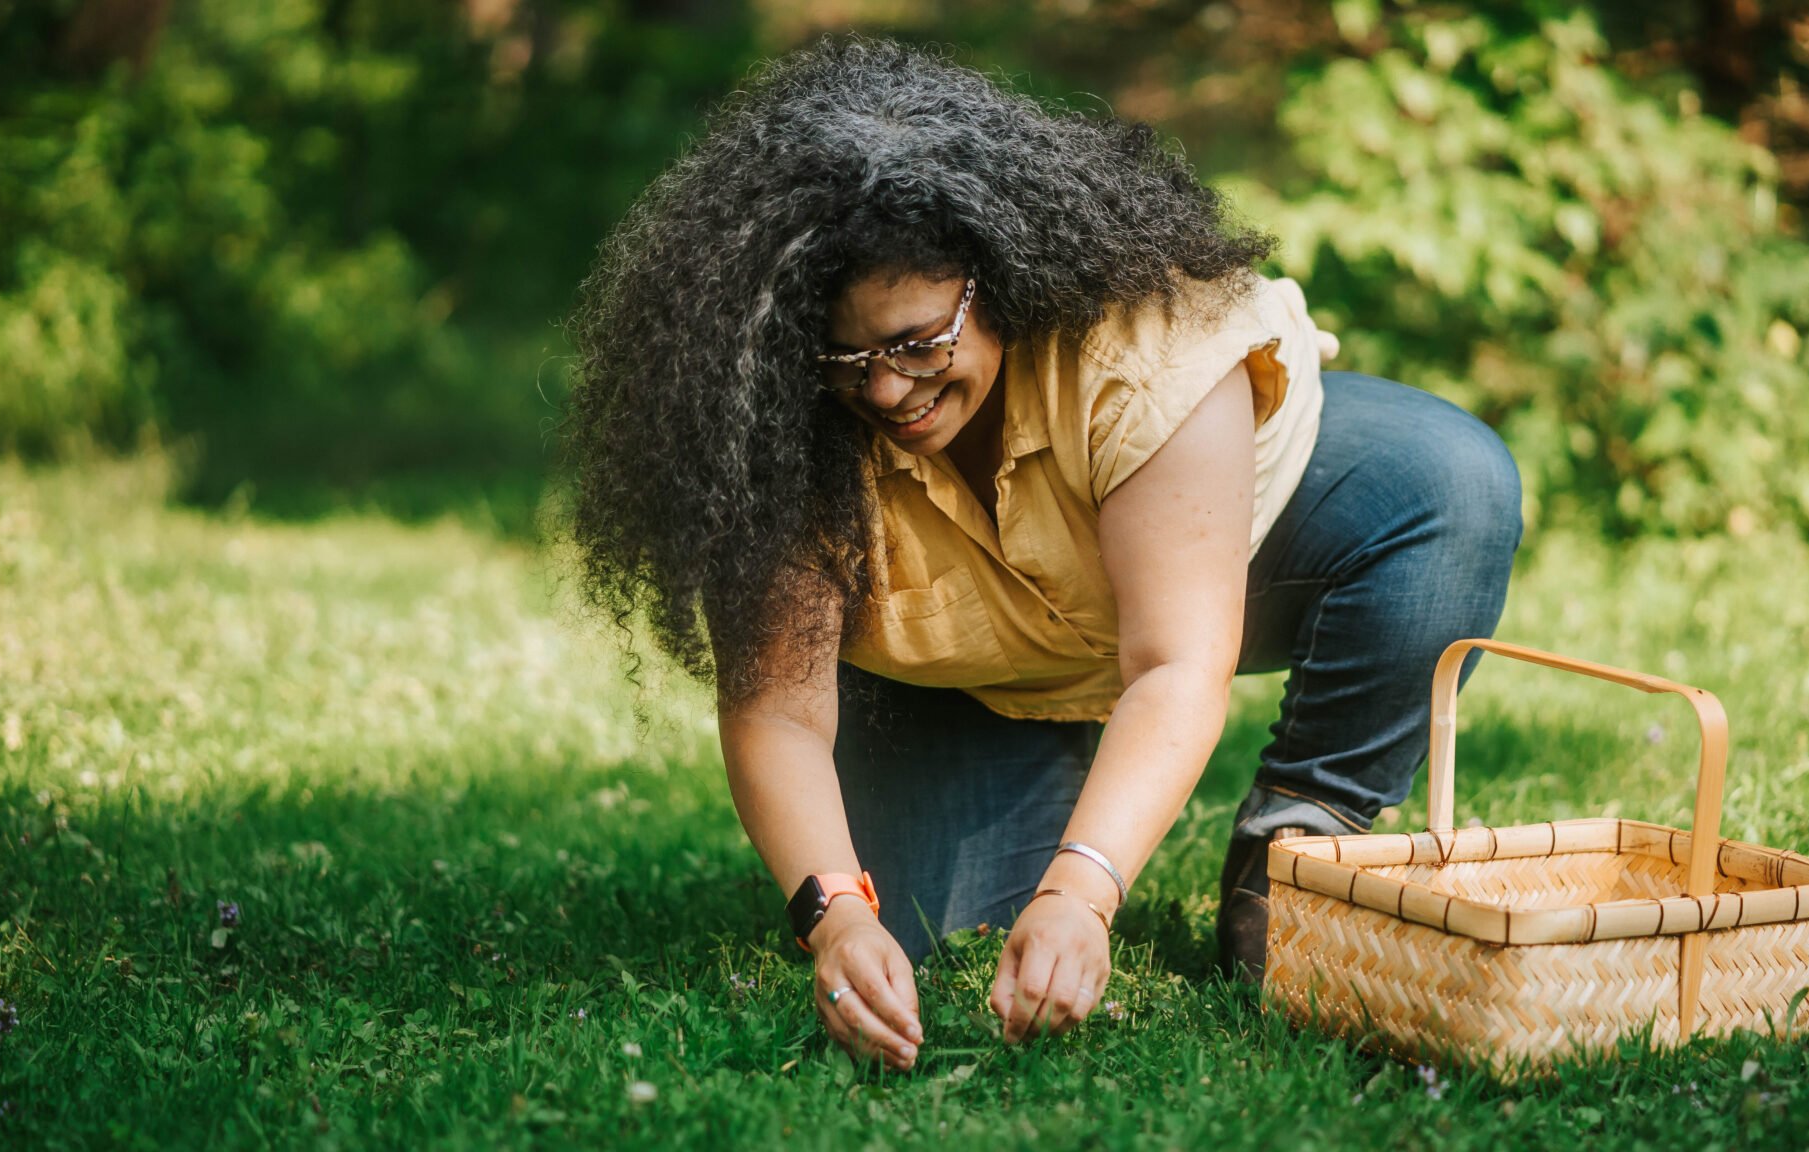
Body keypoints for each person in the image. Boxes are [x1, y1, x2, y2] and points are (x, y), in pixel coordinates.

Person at [562, 35, 1522, 1073]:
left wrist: (1081, 892)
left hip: (1211, 579)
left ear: (1000, 280)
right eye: (847, 359)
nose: (887, 390)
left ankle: (1295, 835)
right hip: (972, 677)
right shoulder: (780, 428)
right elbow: (776, 710)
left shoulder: (1142, 339)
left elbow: (1174, 663)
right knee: (934, 937)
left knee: (1446, 488)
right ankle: (1039, 782)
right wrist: (835, 917)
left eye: (918, 343)